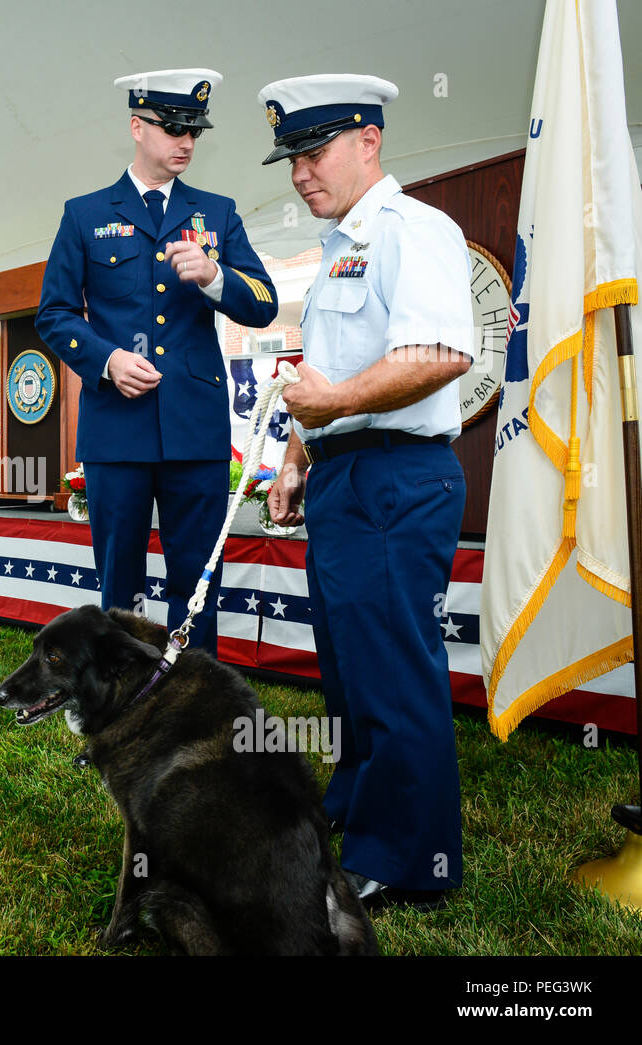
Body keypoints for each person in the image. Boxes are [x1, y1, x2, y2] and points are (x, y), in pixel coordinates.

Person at [258, 74, 474, 910]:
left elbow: (438, 354)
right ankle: (358, 801)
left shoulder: (412, 231)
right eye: (292, 158)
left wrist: (334, 407)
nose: (299, 173)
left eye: (313, 152)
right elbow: (334, 376)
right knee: (348, 666)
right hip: (347, 472)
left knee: (391, 666)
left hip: (396, 473)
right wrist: (297, 459)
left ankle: (411, 857)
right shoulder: (342, 244)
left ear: (368, 141)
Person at [36, 69, 278, 650]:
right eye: (173, 128)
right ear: (137, 127)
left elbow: (265, 303)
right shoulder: (85, 214)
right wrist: (107, 359)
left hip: (194, 427)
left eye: (194, 130)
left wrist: (218, 277)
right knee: (119, 582)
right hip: (116, 429)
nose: (186, 142)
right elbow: (55, 313)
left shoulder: (217, 213)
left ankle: (197, 706)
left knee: (197, 578)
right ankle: (118, 708)